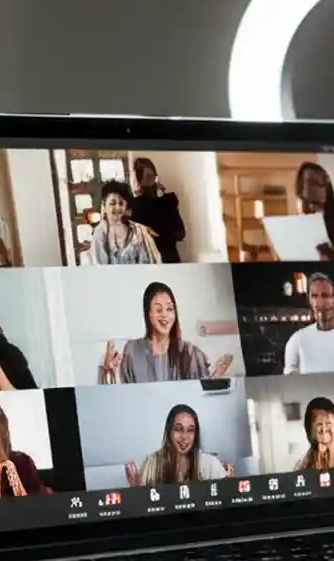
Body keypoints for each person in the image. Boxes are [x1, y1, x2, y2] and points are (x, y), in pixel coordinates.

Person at [98, 282, 234, 384]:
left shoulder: (190, 353)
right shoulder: (132, 350)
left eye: (169, 309)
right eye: (158, 310)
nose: (165, 315)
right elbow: (124, 396)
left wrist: (215, 377)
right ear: (148, 313)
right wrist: (108, 372)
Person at [124, 404, 233, 486]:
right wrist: (135, 488)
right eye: (178, 429)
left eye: (190, 430)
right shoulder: (151, 464)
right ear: (169, 431)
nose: (184, 436)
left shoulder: (211, 464)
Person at [90, 180, 162, 264]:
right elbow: (98, 266)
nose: (117, 207)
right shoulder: (100, 233)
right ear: (104, 205)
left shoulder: (137, 231)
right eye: (112, 203)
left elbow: (147, 262)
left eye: (121, 204)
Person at [129, 157, 186, 263]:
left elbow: (181, 233)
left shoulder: (168, 201)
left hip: (166, 257)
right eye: (144, 176)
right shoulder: (137, 205)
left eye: (150, 176)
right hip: (152, 259)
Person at [292, 397, 334, 471]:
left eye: (328, 423)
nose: (324, 430)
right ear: (309, 432)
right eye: (319, 424)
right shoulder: (301, 470)